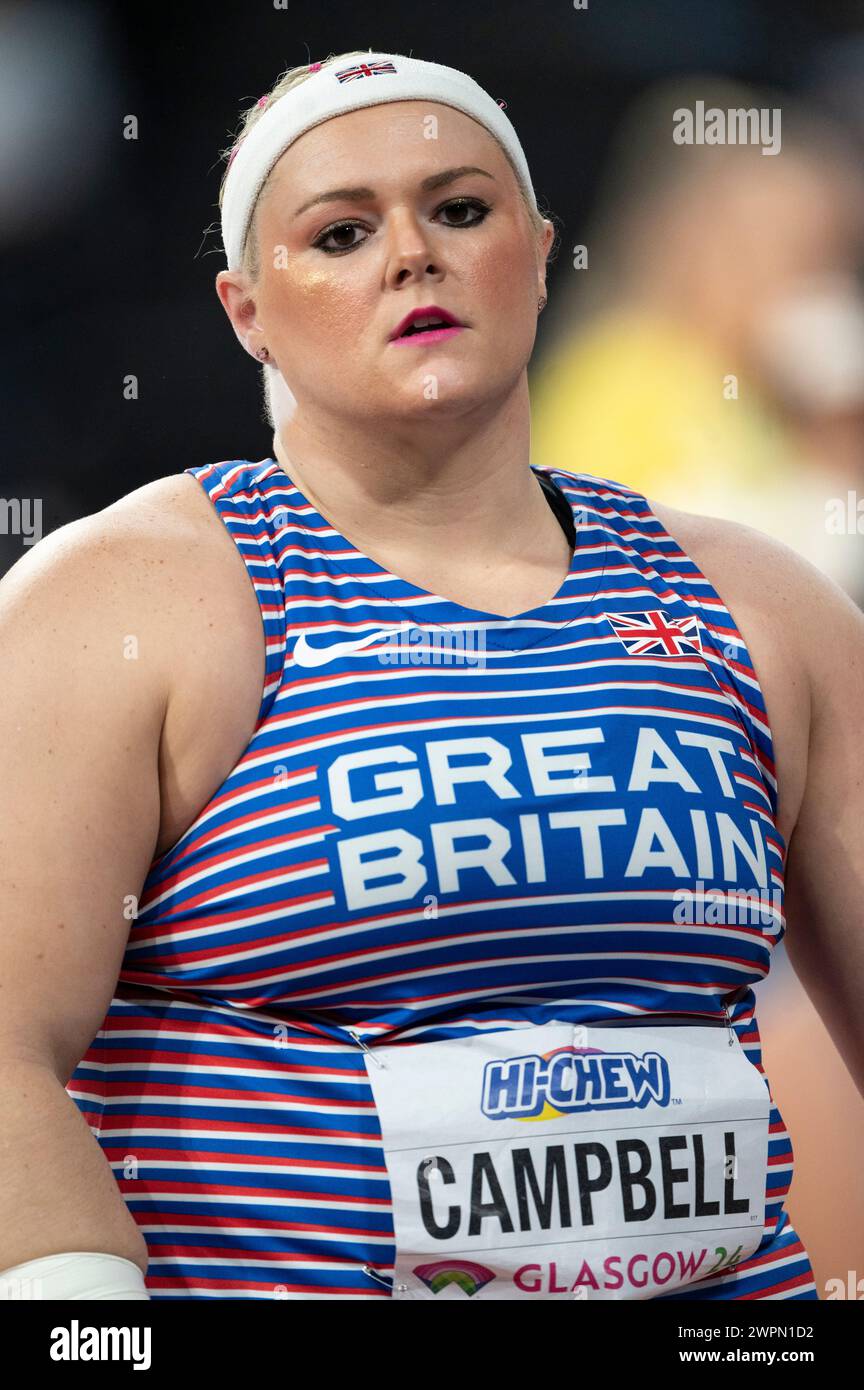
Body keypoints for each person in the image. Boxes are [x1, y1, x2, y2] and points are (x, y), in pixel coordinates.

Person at [1, 48, 861, 1302]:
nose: (414, 254)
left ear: (543, 249)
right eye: (342, 233)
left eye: (460, 210)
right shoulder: (130, 602)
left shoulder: (760, 604)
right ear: (247, 311)